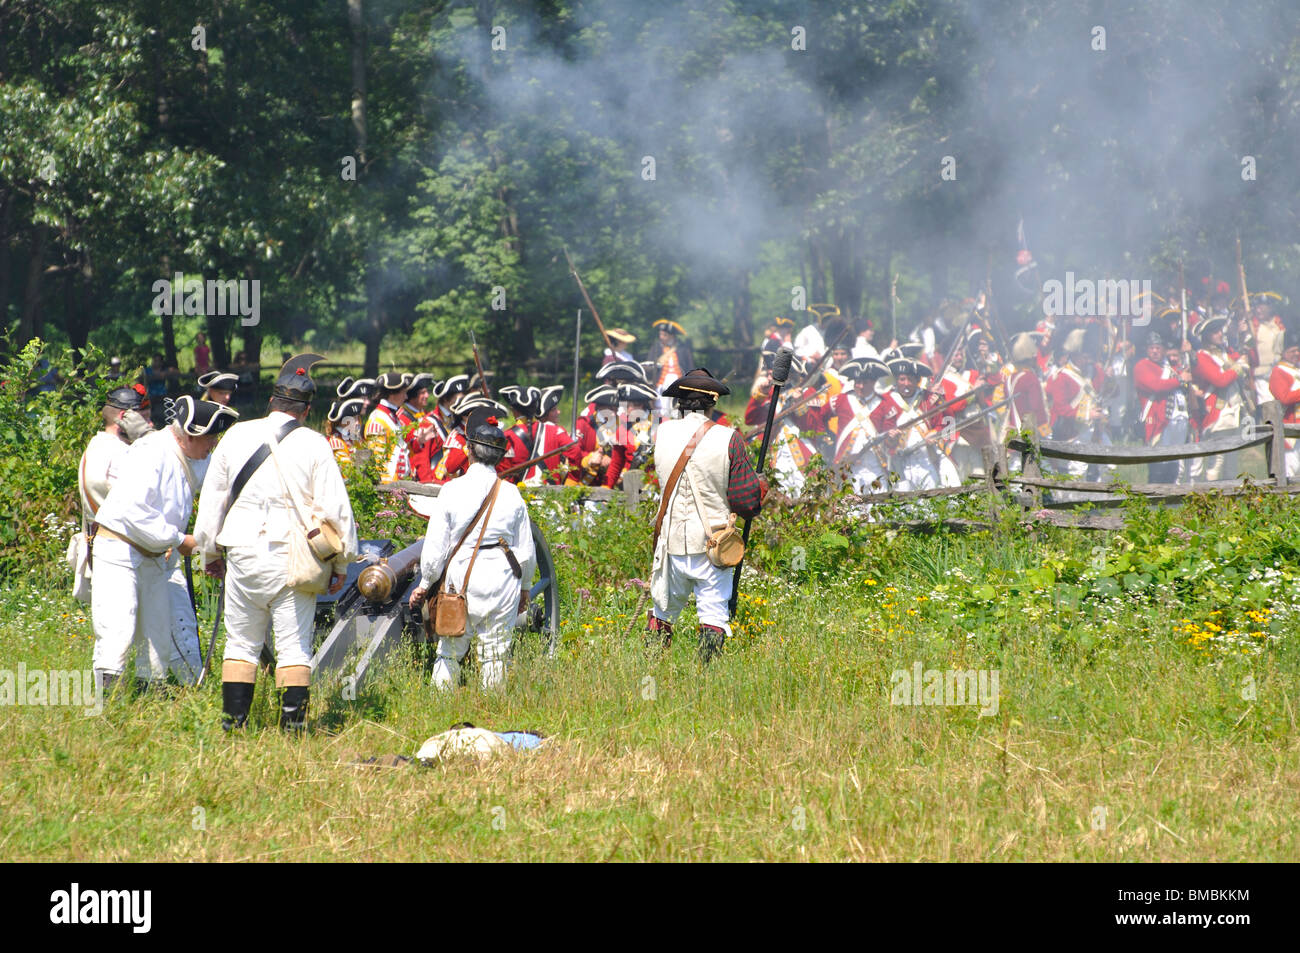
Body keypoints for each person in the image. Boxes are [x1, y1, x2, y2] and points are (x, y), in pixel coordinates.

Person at [194, 354, 358, 732]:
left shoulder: (235, 435)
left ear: (272, 400)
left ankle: (234, 727)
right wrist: (341, 564)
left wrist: (209, 553)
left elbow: (213, 503)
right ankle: (293, 732)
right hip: (293, 558)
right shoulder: (316, 444)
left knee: (239, 645)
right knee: (294, 648)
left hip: (241, 554)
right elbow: (337, 512)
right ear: (306, 409)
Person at [90, 396, 238, 699]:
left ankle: (147, 706)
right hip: (119, 549)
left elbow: (216, 482)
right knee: (118, 630)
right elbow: (134, 512)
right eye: (210, 437)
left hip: (154, 556)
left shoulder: (191, 454)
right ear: (191, 435)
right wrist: (180, 540)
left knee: (157, 641)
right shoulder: (151, 452)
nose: (213, 444)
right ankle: (106, 711)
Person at [408, 415, 536, 691]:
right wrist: (525, 587)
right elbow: (526, 551)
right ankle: (492, 710)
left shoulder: (452, 490)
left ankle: (440, 708)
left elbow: (435, 548)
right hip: (503, 579)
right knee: (495, 654)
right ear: (500, 456)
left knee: (449, 650)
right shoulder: (513, 494)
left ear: (469, 451)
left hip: (462, 578)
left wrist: (425, 584)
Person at [648, 368, 766, 662]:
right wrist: (759, 487)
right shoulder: (730, 438)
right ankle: (704, 678)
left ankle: (651, 671)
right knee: (713, 614)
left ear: (680, 403)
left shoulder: (661, 433)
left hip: (670, 542)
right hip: (714, 546)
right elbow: (745, 502)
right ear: (712, 402)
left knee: (662, 611)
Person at [1192, 315, 1251, 481]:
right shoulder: (1202, 356)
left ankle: (1229, 499)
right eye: (1215, 332)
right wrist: (1239, 367)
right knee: (1217, 459)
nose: (1220, 334)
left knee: (1232, 457)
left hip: (1234, 409)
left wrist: (1243, 335)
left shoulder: (1224, 353)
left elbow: (1244, 355)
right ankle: (1214, 497)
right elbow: (1220, 380)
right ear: (1207, 336)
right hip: (1219, 412)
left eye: (1220, 330)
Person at [1135, 332, 1194, 484]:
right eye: (1151, 348)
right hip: (1158, 421)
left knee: (1174, 465)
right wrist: (1180, 379)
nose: (1155, 351)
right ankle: (1155, 503)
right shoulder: (1142, 366)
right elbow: (1155, 385)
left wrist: (1189, 353)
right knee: (1159, 465)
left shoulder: (1169, 367)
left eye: (1158, 348)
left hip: (1178, 420)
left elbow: (1189, 373)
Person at [365, 371, 411, 483]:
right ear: (392, 393)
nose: (406, 397)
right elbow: (378, 462)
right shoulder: (378, 420)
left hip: (400, 485)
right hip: (389, 490)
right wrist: (390, 493)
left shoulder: (391, 417)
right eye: (403, 392)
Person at [646, 319, 693, 421]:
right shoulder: (656, 348)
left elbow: (689, 367)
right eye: (661, 334)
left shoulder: (683, 349)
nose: (661, 337)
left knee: (677, 409)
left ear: (672, 336)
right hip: (661, 384)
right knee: (662, 409)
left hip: (679, 384)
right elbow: (649, 366)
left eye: (664, 335)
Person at [1268, 339, 1300, 479]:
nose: (1297, 353)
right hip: (1290, 426)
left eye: (1298, 350)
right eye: (1292, 351)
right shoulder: (1278, 371)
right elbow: (1284, 397)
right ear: (1283, 353)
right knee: (1290, 470)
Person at [325, 397, 366, 468]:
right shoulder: (336, 442)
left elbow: (362, 467)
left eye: (357, 418)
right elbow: (347, 472)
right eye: (353, 419)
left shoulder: (353, 439)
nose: (357, 423)